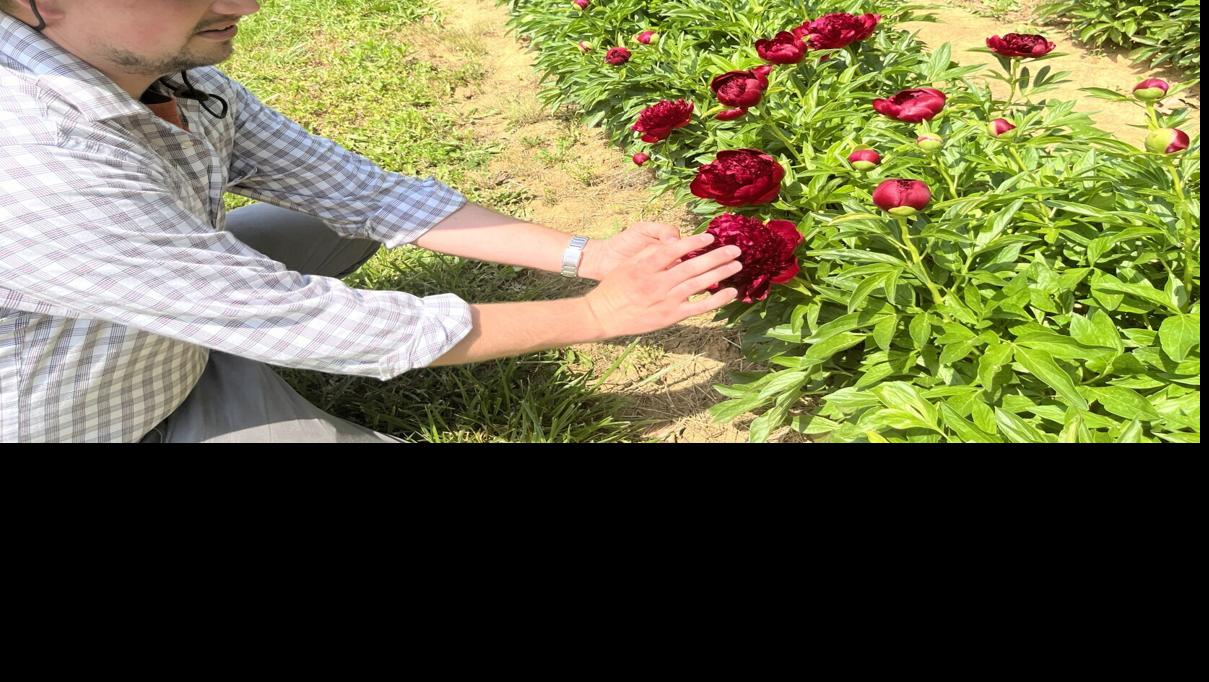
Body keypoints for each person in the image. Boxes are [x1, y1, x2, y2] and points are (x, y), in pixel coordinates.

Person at [1, 0, 743, 442]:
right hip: (102, 416)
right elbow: (324, 325)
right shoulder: (35, 159)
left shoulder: (170, 73)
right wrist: (602, 315)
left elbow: (363, 193)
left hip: (167, 321)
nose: (249, 3)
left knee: (336, 222)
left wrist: (590, 255)